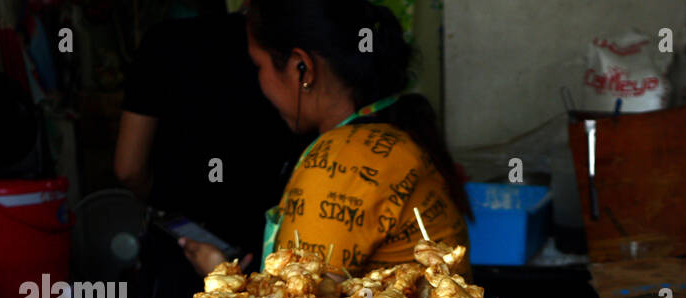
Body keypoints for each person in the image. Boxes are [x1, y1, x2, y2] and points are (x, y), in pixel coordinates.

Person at [178, 0, 470, 278]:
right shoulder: (396, 133)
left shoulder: (342, 157)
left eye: (259, 66)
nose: (259, 82)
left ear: (301, 67)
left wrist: (219, 276)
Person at [114, 6, 299, 298]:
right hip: (271, 258)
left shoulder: (164, 42)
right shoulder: (285, 48)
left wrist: (168, 209)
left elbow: (128, 168)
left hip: (179, 250)